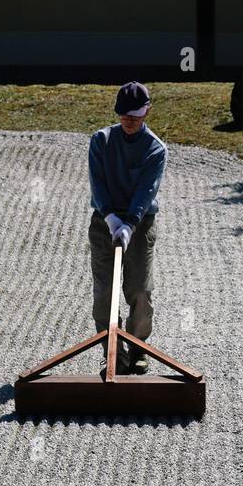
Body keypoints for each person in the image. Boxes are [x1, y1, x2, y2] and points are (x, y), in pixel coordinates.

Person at [87, 81, 166, 375]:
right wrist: (110, 219)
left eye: (135, 115)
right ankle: (113, 352)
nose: (130, 120)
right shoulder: (101, 140)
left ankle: (137, 348)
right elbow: (98, 184)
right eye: (124, 115)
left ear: (146, 112)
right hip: (103, 222)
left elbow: (146, 191)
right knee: (104, 295)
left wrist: (130, 225)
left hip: (140, 224)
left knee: (140, 290)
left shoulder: (155, 149)